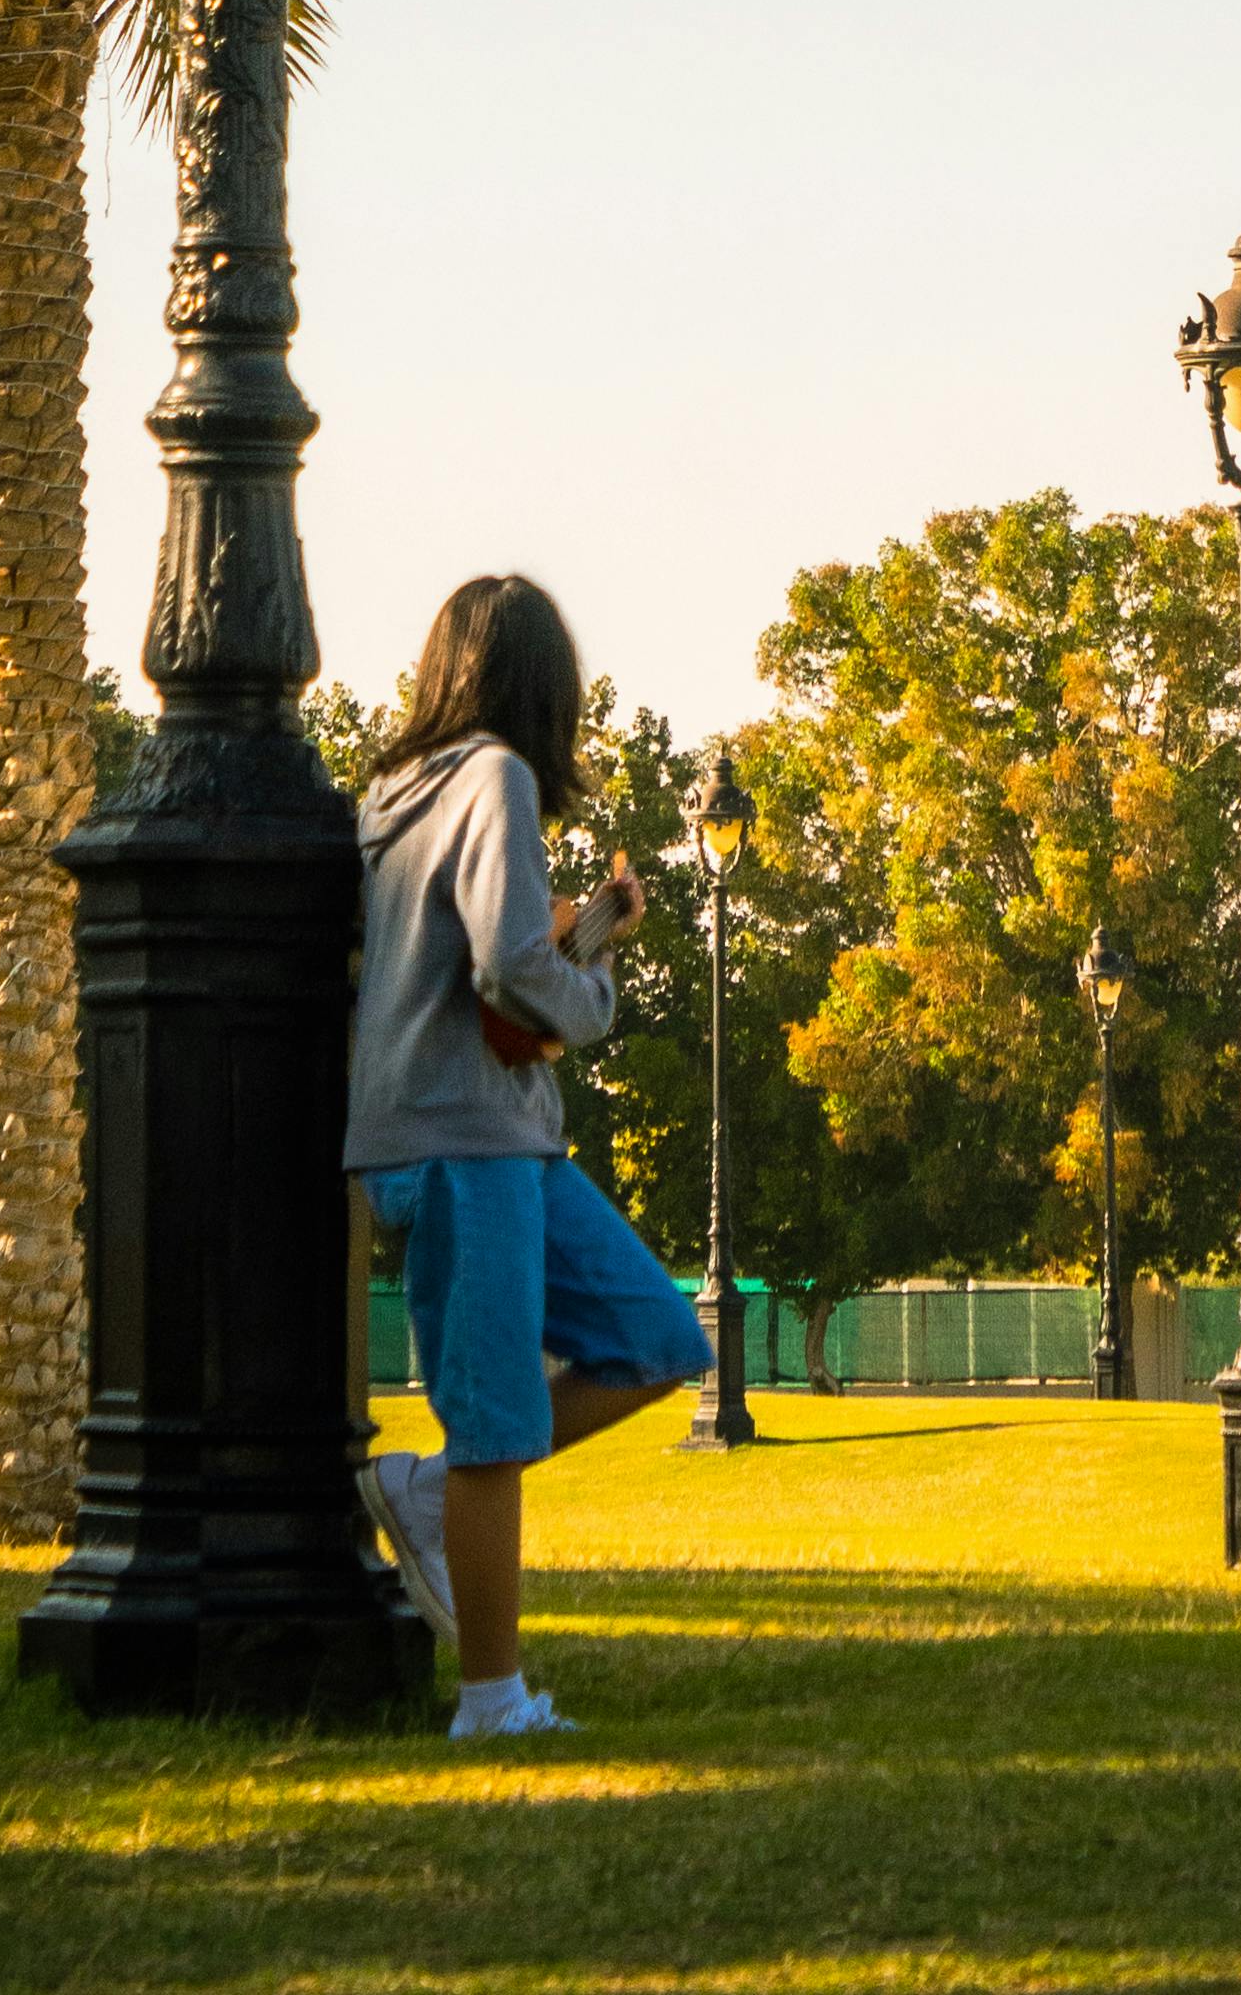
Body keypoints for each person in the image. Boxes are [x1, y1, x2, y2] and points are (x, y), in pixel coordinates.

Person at [347, 571, 709, 1738]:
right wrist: (593, 980)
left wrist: (582, 927)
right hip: (468, 1140)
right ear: (539, 686)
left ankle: (420, 1489)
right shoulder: (494, 773)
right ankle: (491, 1701)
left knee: (656, 1336)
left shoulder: (387, 795)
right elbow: (510, 966)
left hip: (474, 1135)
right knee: (495, 1425)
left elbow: (467, 956)